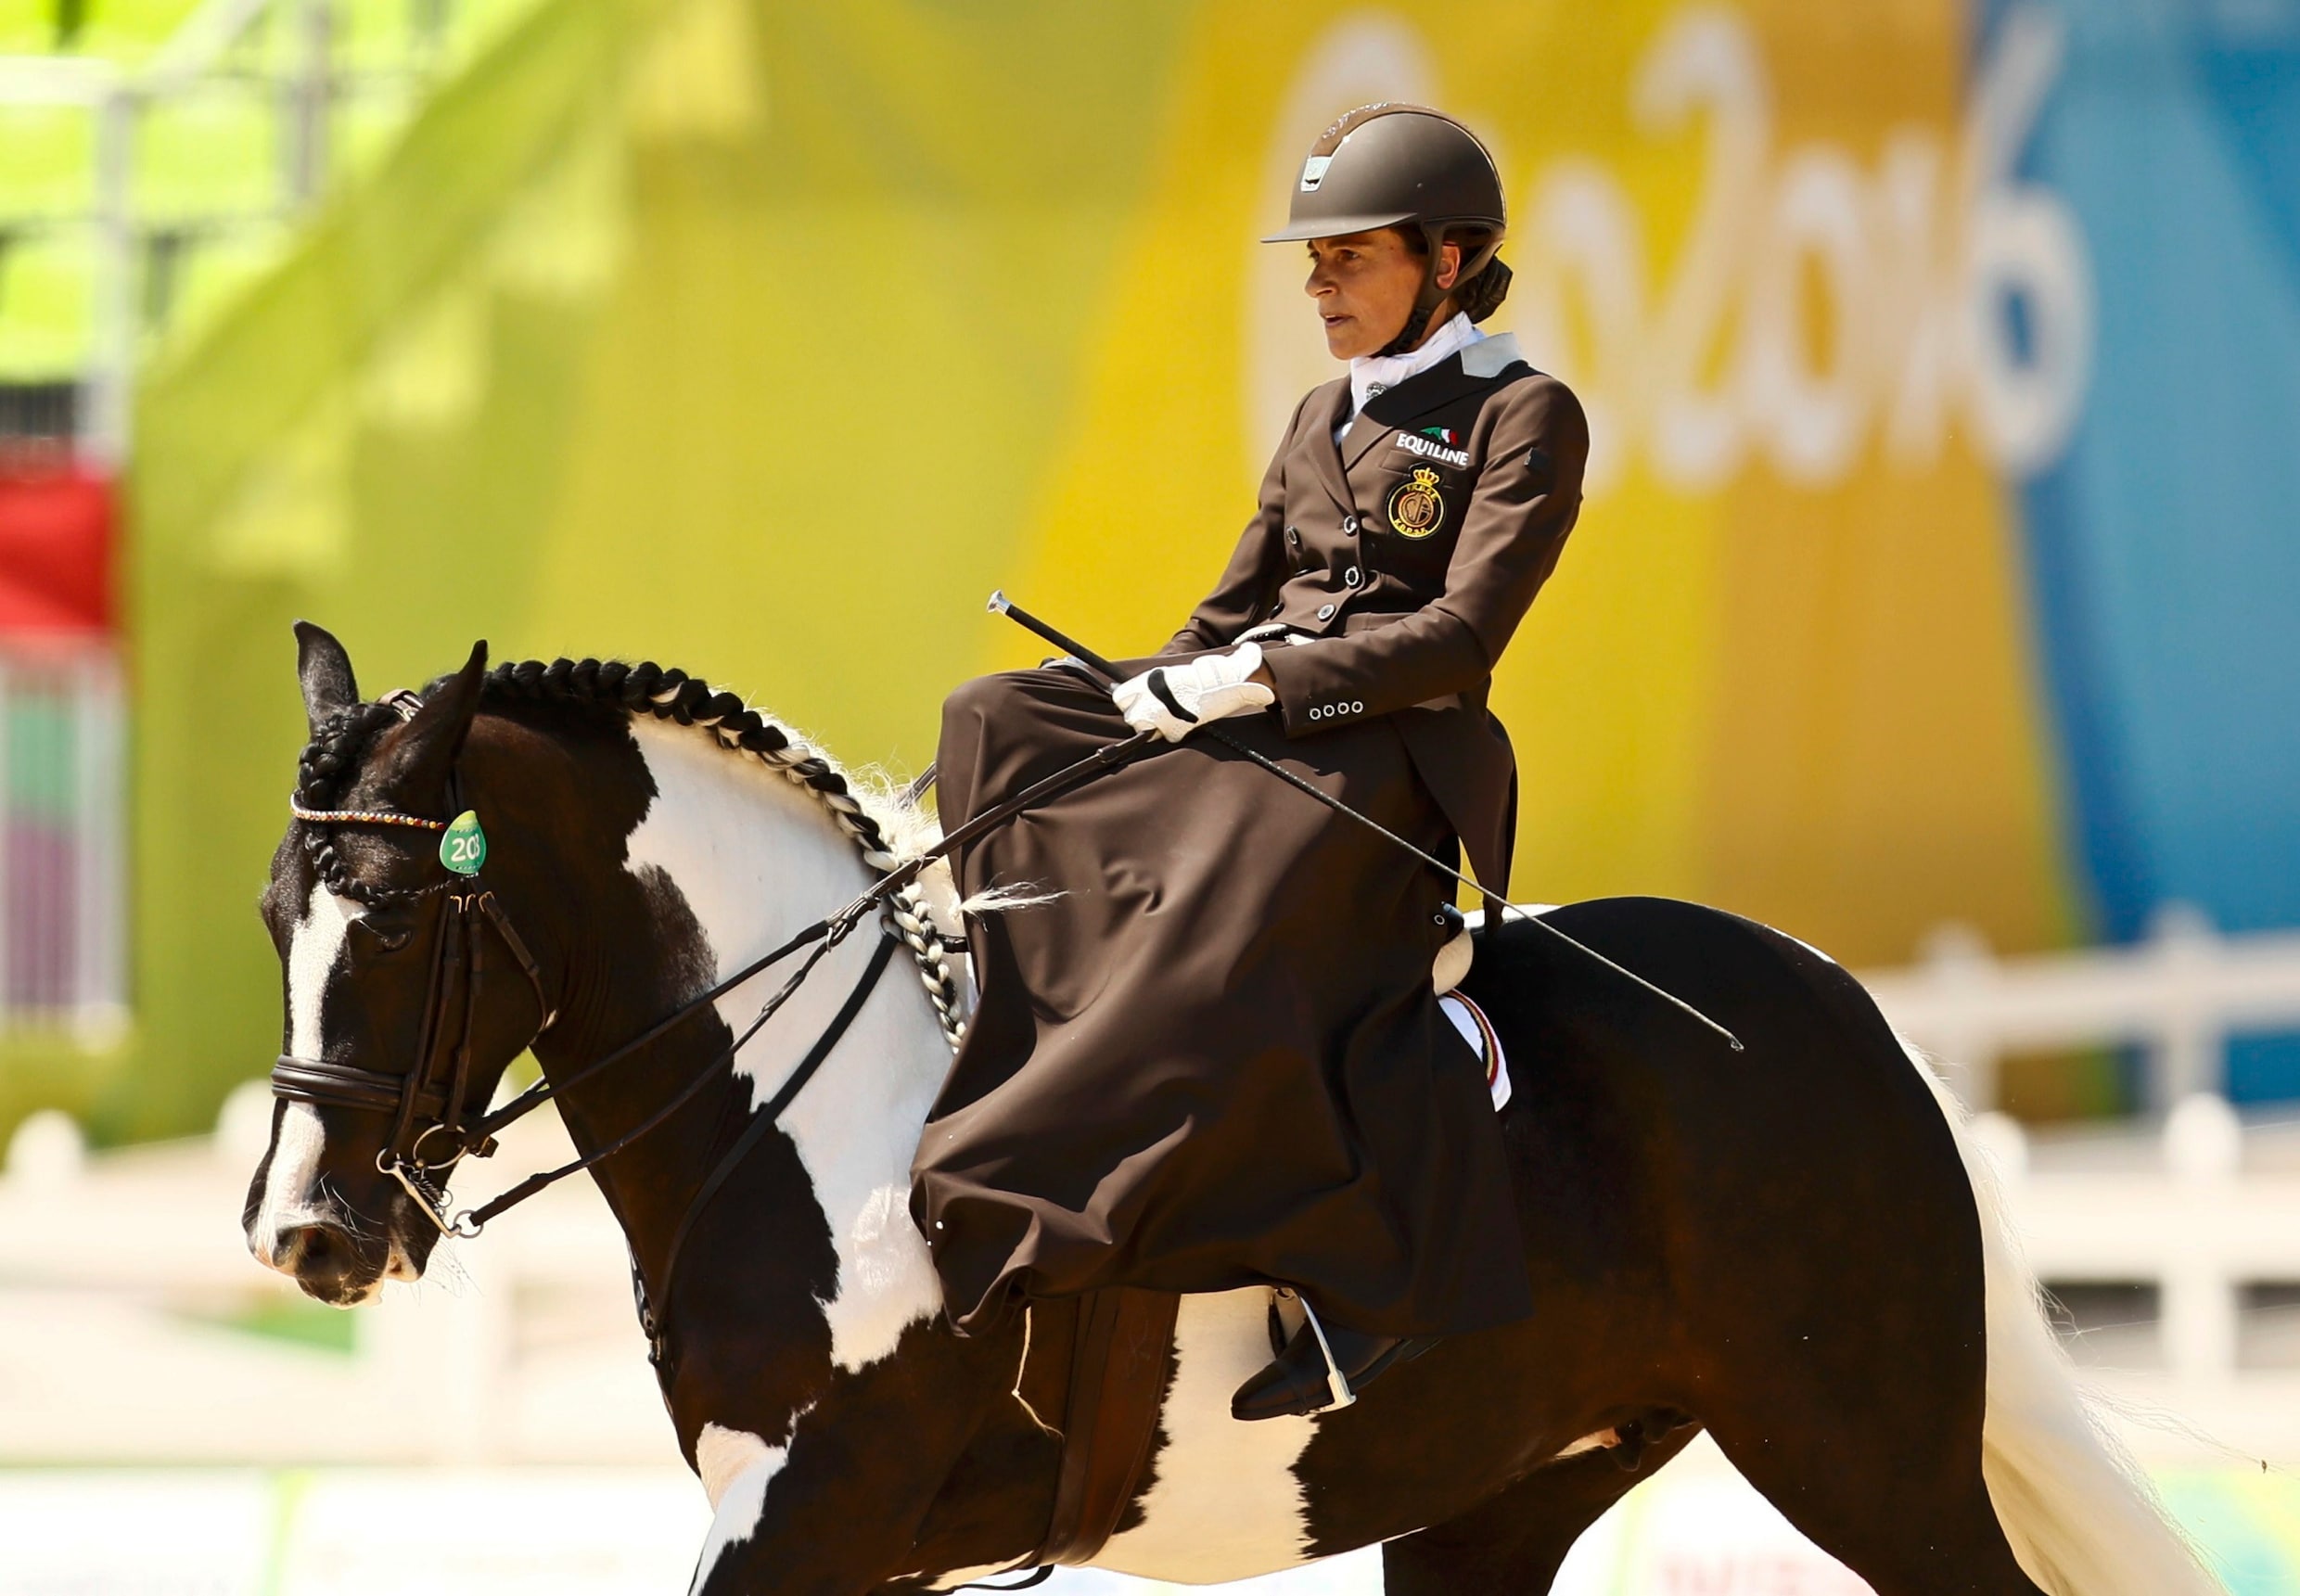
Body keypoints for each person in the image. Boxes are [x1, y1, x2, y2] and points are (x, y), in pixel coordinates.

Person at [911, 104, 1591, 1421]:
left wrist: (1263, 678)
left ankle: (1362, 1278)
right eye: (1313, 261)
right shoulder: (1313, 417)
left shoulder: (1523, 414)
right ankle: (1022, 1020)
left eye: (1350, 257)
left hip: (1392, 753)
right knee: (993, 714)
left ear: (1447, 264)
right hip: (1258, 712)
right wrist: (1124, 689)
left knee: (1228, 897)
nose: (1318, 285)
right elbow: (1223, 616)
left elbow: (1459, 635)